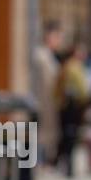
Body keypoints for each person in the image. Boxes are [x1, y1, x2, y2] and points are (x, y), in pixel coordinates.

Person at [55, 41, 90, 178]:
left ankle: (65, 165)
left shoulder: (66, 66)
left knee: (67, 136)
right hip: (73, 106)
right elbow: (83, 90)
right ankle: (68, 166)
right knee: (71, 136)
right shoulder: (74, 67)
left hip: (66, 106)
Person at [31, 21, 63, 169]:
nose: (58, 41)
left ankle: (44, 161)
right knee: (42, 133)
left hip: (50, 102)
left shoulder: (49, 56)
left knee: (47, 134)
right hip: (43, 101)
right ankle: (38, 162)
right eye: (56, 37)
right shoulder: (41, 56)